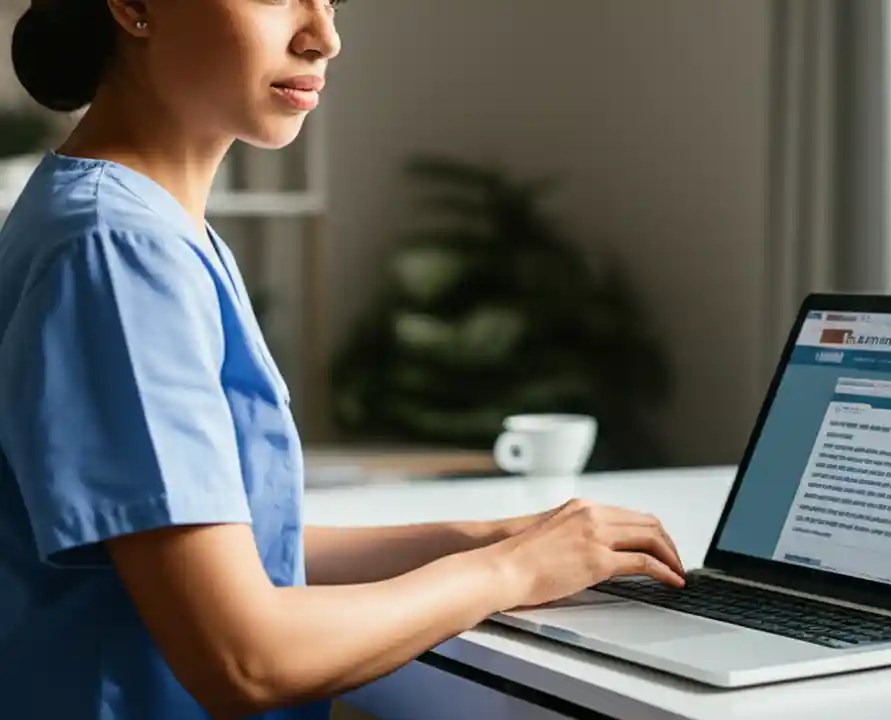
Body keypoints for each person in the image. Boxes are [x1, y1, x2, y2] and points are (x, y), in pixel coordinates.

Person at [0, 2, 685, 718]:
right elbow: (247, 657)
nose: (324, 37)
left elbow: (225, 550)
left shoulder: (125, 219)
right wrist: (507, 571)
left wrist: (484, 539)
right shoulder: (116, 250)